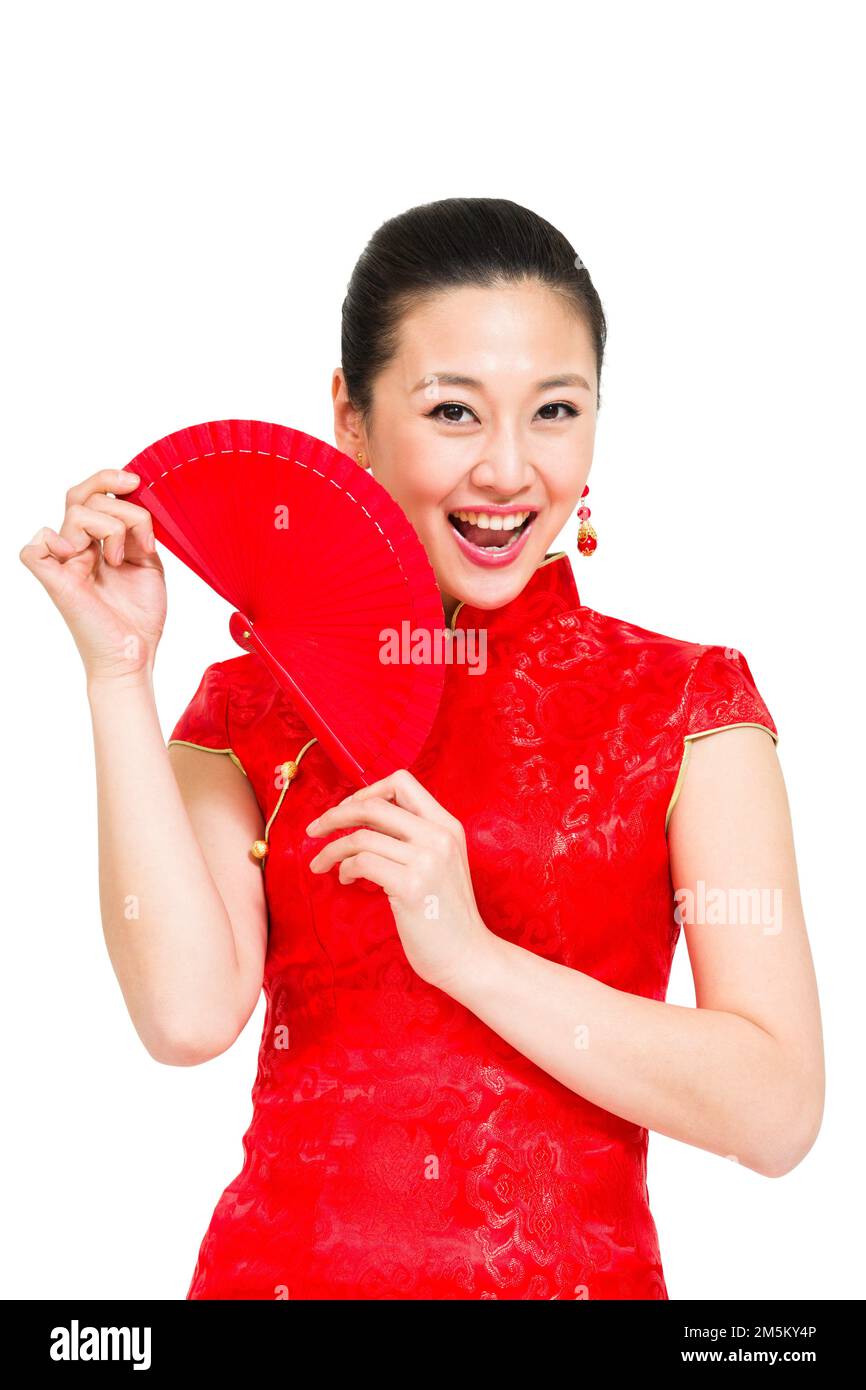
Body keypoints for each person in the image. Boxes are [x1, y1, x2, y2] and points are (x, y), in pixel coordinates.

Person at [20, 197, 824, 1300]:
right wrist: (118, 674)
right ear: (349, 415)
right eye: (451, 412)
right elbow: (185, 1017)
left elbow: (775, 1109)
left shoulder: (684, 703)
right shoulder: (251, 705)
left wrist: (468, 954)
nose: (506, 471)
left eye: (553, 411)